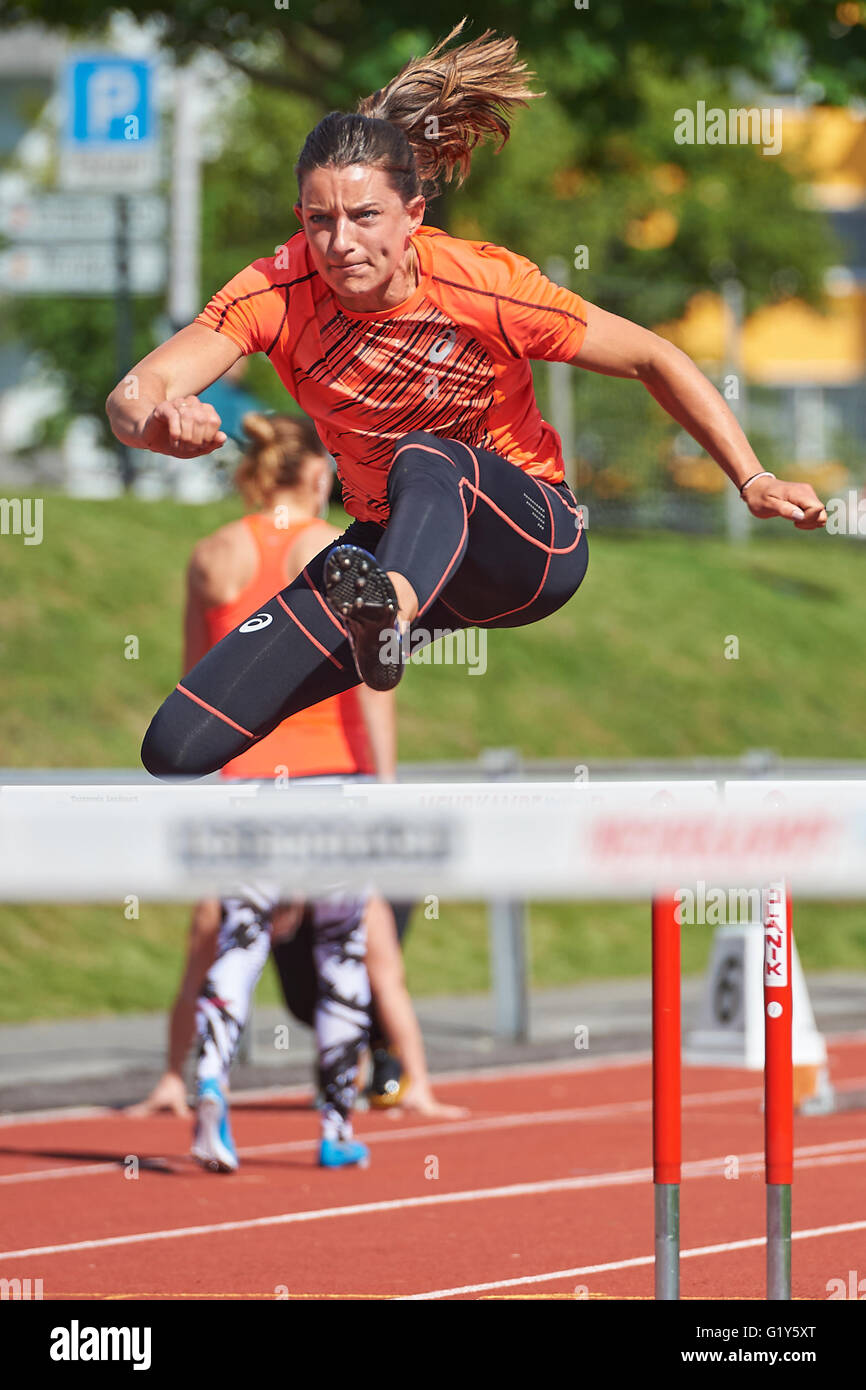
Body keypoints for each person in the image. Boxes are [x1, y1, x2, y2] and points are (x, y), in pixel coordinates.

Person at [107, 16, 827, 785]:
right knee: (178, 745)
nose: (340, 243)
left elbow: (653, 356)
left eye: (364, 217)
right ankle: (383, 614)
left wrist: (752, 477)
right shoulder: (275, 291)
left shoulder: (484, 284)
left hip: (527, 541)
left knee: (428, 455)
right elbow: (135, 391)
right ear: (301, 222)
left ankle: (391, 612)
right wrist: (157, 422)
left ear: (414, 217)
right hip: (399, 544)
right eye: (320, 221)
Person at [129, 412, 463, 1171]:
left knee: (237, 943)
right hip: (331, 779)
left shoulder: (210, 555)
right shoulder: (329, 550)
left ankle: (208, 1084)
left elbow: (200, 689)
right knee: (344, 947)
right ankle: (336, 1124)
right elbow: (373, 689)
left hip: (246, 780)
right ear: (319, 475)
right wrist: (385, 789)